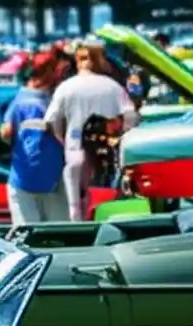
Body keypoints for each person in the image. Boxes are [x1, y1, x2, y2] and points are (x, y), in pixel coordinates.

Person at [44, 43, 137, 221]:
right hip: (110, 153)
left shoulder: (66, 87)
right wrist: (121, 135)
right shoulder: (113, 87)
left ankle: (77, 231)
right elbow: (131, 116)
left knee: (74, 203)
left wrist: (61, 140)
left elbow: (50, 121)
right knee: (110, 197)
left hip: (74, 150)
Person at [1, 53, 69, 224]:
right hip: (53, 179)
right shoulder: (54, 100)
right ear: (49, 72)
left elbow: (6, 133)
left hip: (22, 178)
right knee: (62, 236)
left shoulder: (19, 100)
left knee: (27, 236)